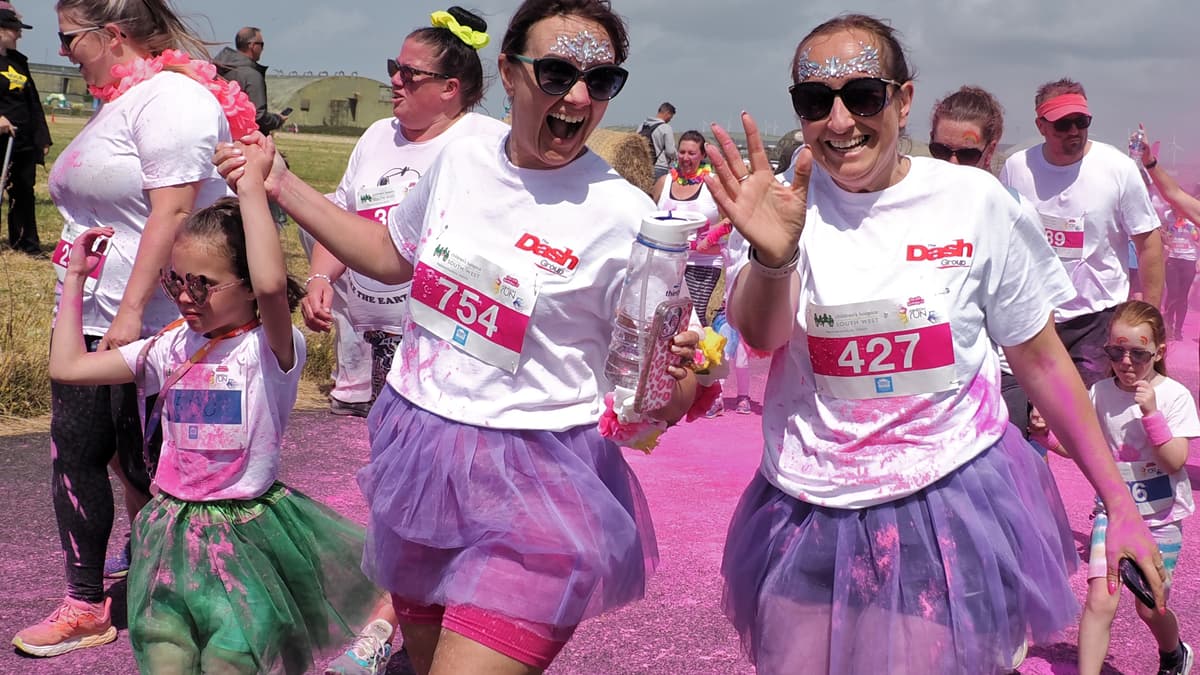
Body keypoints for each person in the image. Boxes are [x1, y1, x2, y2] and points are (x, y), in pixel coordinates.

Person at [216, 0, 699, 672]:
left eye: (603, 81)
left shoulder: (625, 216)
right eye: (556, 73)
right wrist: (283, 183)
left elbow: (668, 387)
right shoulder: (461, 162)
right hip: (423, 458)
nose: (579, 97)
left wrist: (683, 378)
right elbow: (390, 251)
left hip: (540, 491)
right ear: (508, 71)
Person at [702, 14, 1169, 673]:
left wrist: (1119, 504)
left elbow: (1041, 361)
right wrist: (774, 256)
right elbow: (760, 334)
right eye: (816, 101)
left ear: (903, 99)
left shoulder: (973, 200)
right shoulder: (781, 207)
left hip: (946, 503)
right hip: (805, 505)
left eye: (863, 96)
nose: (840, 122)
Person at [47, 193, 382, 673]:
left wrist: (251, 190)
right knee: (165, 656)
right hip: (170, 533)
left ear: (246, 286)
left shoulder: (269, 350)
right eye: (176, 280)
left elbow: (272, 285)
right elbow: (68, 365)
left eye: (202, 285)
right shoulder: (170, 345)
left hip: (244, 538)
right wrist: (76, 279)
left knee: (233, 660)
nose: (185, 297)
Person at [11, 0, 246, 657]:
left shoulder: (173, 99)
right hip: (94, 311)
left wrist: (131, 310)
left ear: (110, 35)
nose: (63, 52)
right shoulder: (117, 99)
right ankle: (86, 602)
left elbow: (172, 210)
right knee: (78, 447)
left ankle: (189, 587)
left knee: (161, 466)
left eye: (69, 38)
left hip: (163, 322)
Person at [302, 7, 508, 418]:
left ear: (450, 88)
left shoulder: (488, 142)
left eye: (410, 73)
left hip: (443, 354)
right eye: (395, 67)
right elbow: (344, 214)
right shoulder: (378, 134)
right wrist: (321, 276)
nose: (395, 79)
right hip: (376, 340)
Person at [1034, 302, 1197, 675]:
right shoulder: (1099, 394)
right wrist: (1046, 439)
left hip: (1161, 519)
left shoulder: (1174, 397)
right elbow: (1088, 453)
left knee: (1149, 605)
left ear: (1159, 352)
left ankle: (1174, 652)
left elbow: (1174, 461)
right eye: (1116, 351)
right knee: (1100, 600)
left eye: (1138, 353)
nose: (1126, 361)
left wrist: (1152, 415)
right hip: (1112, 512)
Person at [1000, 79, 1163, 388]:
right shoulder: (1017, 168)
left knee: (1083, 412)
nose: (1074, 130)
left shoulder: (1117, 168)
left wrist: (1148, 316)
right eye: (1063, 124)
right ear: (1041, 126)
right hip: (1034, 315)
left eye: (1081, 121)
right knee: (1029, 413)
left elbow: (1149, 242)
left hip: (1096, 318)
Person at [928, 84, 1065, 438]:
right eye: (940, 150)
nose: (952, 164)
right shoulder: (908, 206)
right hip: (929, 382)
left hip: (1002, 379)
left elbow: (1040, 316)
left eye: (967, 153)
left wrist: (1041, 397)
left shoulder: (1015, 212)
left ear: (990, 149)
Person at [652, 130, 748, 415]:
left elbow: (732, 217)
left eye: (692, 153)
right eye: (682, 152)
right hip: (666, 264)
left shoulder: (711, 184)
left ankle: (711, 392)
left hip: (703, 266)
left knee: (697, 324)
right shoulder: (664, 182)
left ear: (702, 156)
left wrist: (709, 239)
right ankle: (670, 386)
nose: (685, 158)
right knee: (666, 329)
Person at [1136, 134, 1200, 342]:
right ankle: (1170, 327)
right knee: (1174, 296)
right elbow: (1173, 193)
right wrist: (1150, 163)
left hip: (1189, 260)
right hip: (1175, 259)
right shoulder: (1173, 216)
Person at [0, 6, 49, 257]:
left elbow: (33, 102)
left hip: (22, 140)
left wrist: (42, 136)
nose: (19, 35)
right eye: (15, 30)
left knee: (23, 191)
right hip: (0, 139)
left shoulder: (19, 62)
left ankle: (25, 241)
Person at [213, 26, 286, 134]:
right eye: (261, 44)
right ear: (252, 45)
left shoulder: (215, 69)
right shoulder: (252, 76)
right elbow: (258, 116)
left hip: (218, 133)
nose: (263, 49)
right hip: (244, 139)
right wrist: (278, 120)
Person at [638, 101, 676, 179]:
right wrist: (677, 156)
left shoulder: (642, 126)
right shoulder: (666, 127)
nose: (670, 120)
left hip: (643, 166)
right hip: (660, 166)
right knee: (658, 190)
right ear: (667, 113)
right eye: (671, 117)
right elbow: (670, 151)